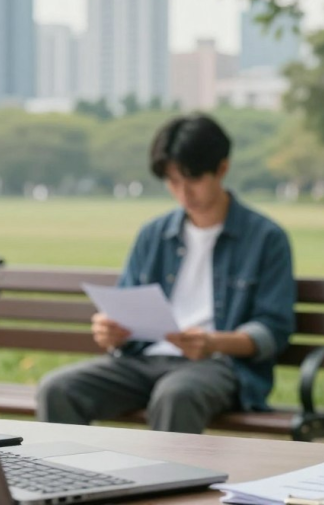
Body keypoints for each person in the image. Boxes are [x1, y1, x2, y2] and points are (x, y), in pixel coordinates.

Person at [37, 114, 296, 433]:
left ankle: (170, 484)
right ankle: (67, 482)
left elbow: (274, 329)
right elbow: (126, 304)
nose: (183, 192)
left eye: (193, 179)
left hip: (219, 366)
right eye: (173, 181)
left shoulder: (266, 239)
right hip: (144, 361)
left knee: (176, 394)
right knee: (58, 389)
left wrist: (214, 342)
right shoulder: (153, 235)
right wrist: (112, 330)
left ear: (222, 169)